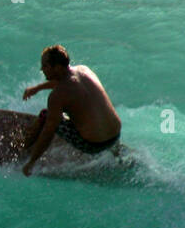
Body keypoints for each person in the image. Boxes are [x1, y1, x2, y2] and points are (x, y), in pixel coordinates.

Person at [21, 44, 122, 175]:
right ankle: (116, 153)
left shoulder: (57, 96)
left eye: (45, 66)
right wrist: (37, 88)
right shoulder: (84, 70)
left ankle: (24, 149)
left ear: (57, 67)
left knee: (46, 116)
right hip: (115, 136)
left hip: (94, 145)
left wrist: (32, 162)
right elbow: (64, 82)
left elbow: (48, 132)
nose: (42, 69)